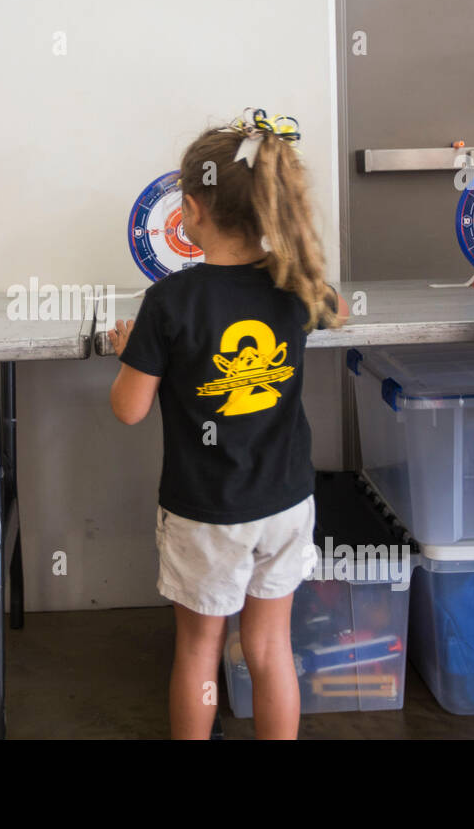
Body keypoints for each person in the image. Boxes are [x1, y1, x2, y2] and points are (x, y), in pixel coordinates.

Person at [107, 111, 346, 739]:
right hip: (287, 502)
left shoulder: (168, 302)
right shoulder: (294, 286)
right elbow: (339, 309)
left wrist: (129, 351)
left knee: (198, 651)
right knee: (269, 648)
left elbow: (129, 408)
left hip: (207, 511)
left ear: (190, 209)